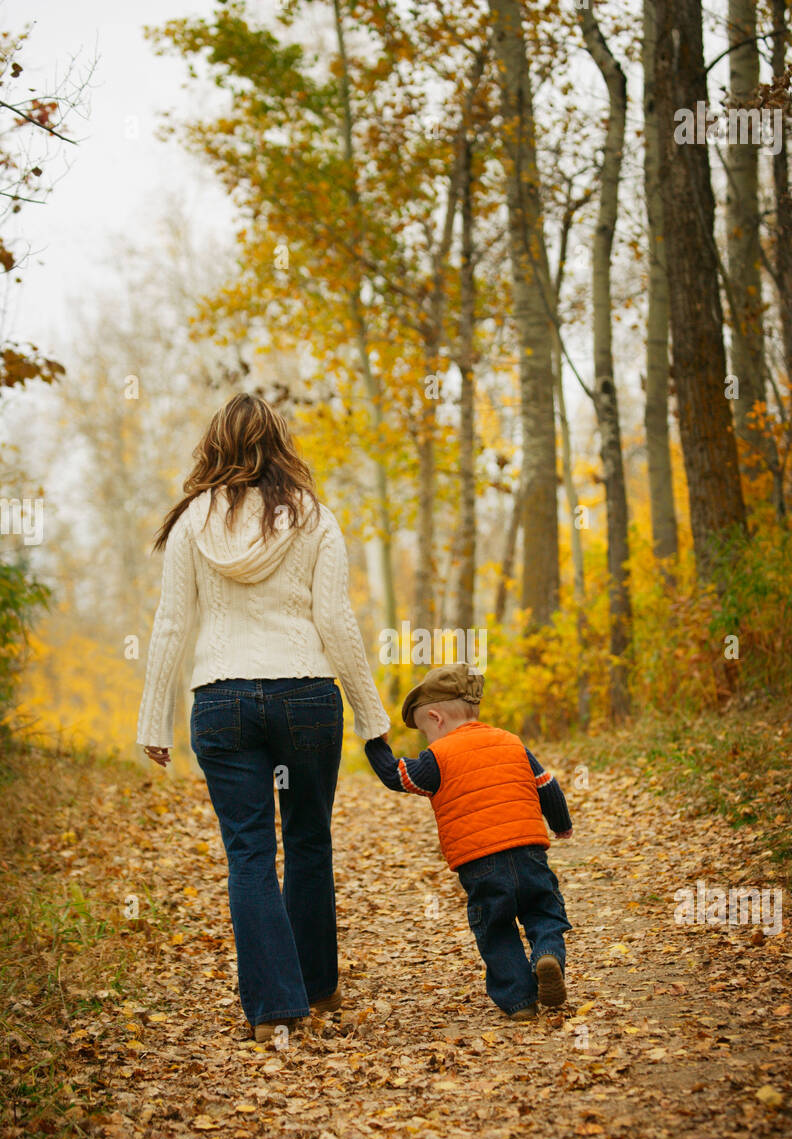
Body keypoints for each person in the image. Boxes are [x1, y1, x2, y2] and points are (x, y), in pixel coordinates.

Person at [136, 393, 390, 1041]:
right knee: (308, 839)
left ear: (214, 444)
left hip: (221, 701)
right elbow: (335, 622)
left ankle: (276, 1005)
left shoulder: (194, 520)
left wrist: (153, 722)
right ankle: (315, 984)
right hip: (306, 695)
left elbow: (171, 624)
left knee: (249, 852)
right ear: (278, 443)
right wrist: (372, 718)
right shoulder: (313, 517)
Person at [365, 662, 573, 1020]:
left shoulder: (438, 758)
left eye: (425, 730)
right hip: (530, 851)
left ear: (437, 717)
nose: (427, 740)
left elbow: (396, 776)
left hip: (480, 863)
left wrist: (375, 744)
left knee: (495, 927)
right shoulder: (512, 742)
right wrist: (561, 824)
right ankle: (547, 955)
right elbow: (547, 785)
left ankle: (521, 1001)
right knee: (543, 910)